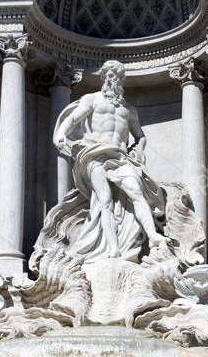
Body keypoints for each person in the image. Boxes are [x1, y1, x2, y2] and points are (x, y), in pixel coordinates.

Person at [52, 60, 167, 261]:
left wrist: (139, 149)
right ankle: (113, 248)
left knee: (137, 192)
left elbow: (140, 136)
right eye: (110, 75)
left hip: (120, 158)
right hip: (95, 154)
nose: (113, 79)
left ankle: (152, 235)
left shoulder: (129, 110)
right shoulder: (92, 100)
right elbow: (72, 120)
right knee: (104, 200)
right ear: (103, 78)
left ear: (122, 80)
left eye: (117, 76)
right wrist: (60, 134)